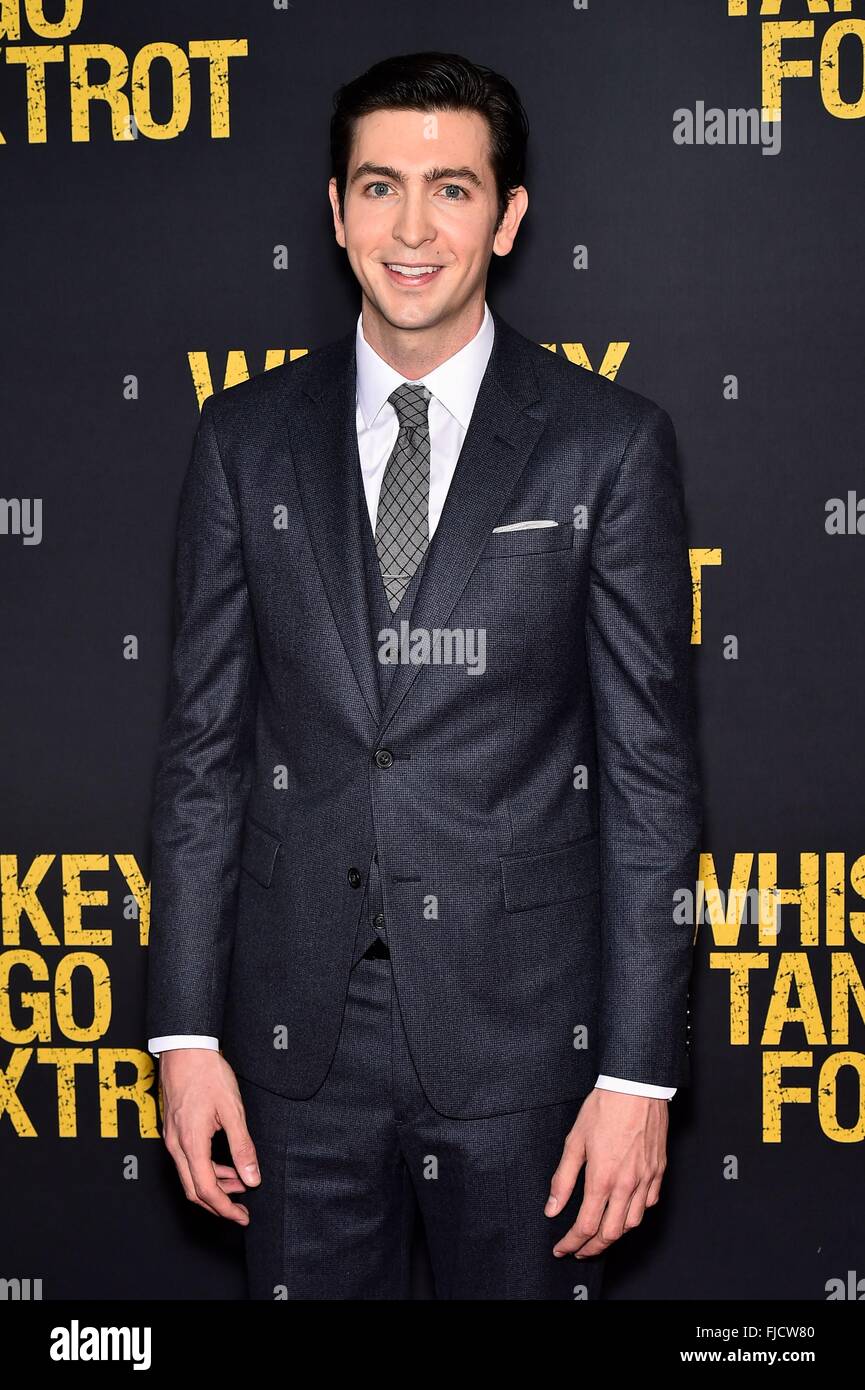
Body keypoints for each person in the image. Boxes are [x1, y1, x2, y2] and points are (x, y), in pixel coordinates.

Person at [146, 50, 702, 1301]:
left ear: (505, 218)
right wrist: (184, 1037)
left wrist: (636, 1075)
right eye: (379, 187)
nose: (411, 229)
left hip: (525, 1043)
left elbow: (651, 785)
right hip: (294, 1052)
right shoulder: (241, 442)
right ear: (334, 211)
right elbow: (200, 761)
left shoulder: (607, 447)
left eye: (450, 189)